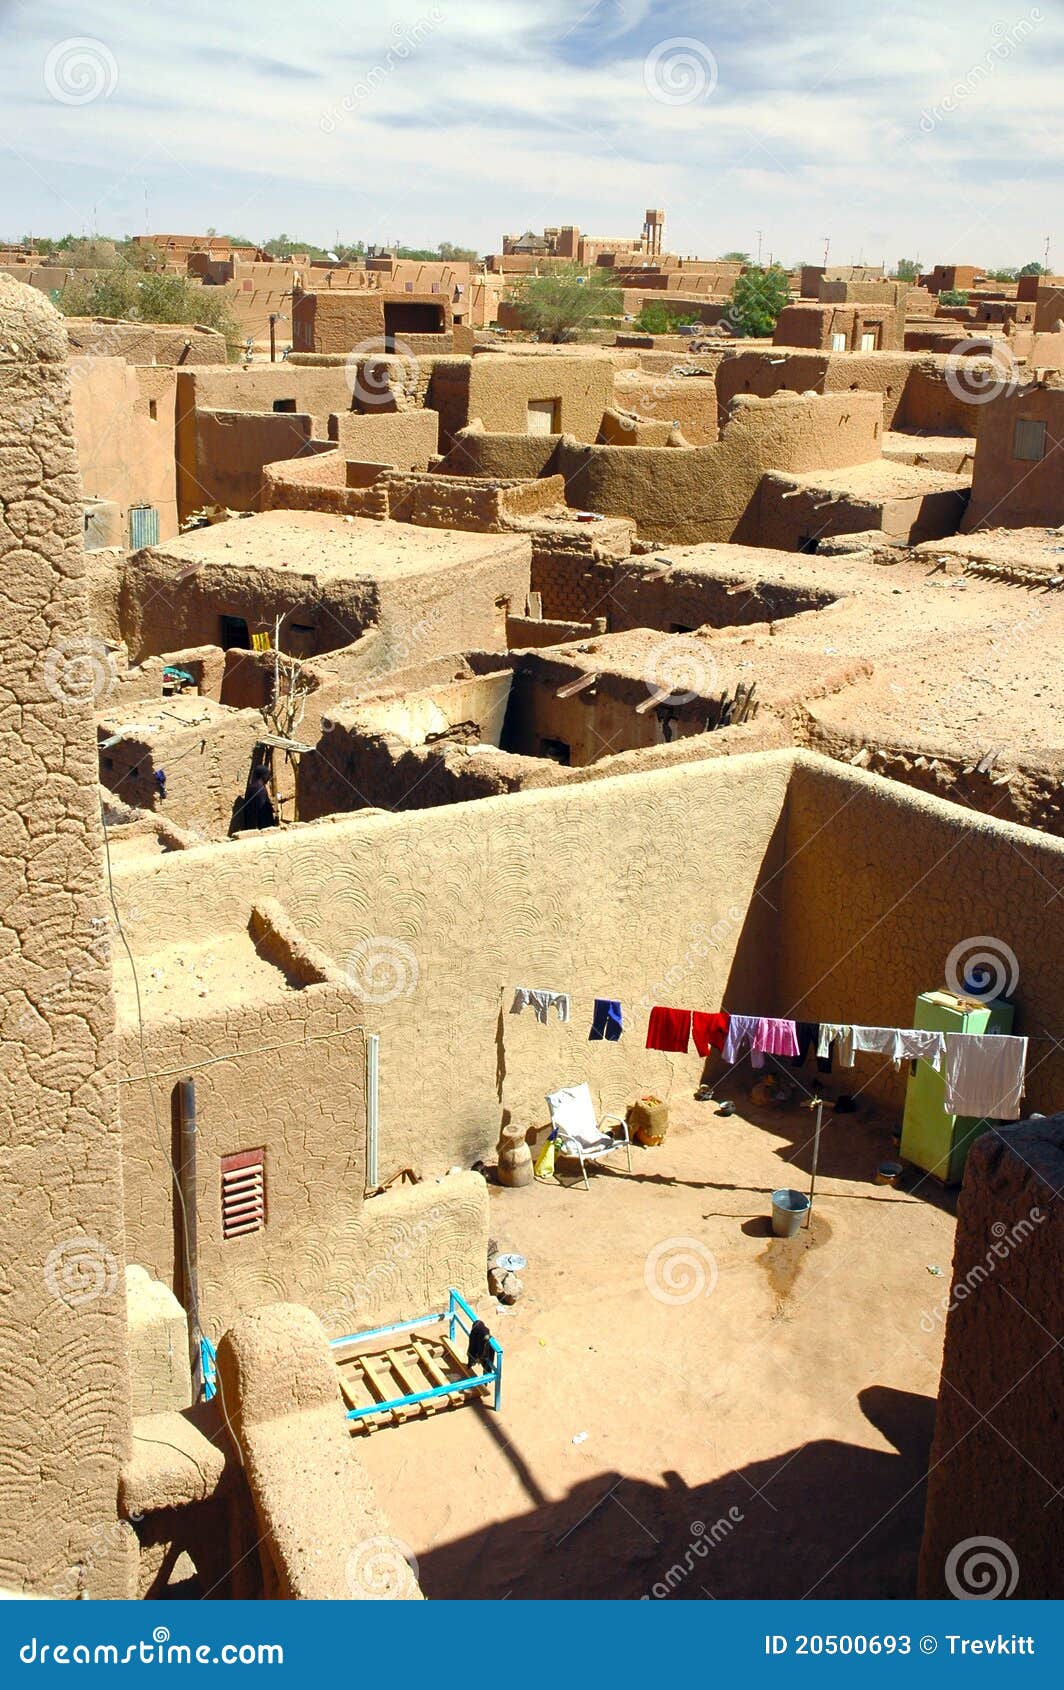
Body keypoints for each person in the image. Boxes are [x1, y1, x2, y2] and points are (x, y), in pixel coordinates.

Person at [235, 765, 277, 832]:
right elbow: (263, 810)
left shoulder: (251, 787)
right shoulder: (261, 789)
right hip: (260, 827)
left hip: (249, 824)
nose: (269, 778)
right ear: (263, 776)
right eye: (267, 775)